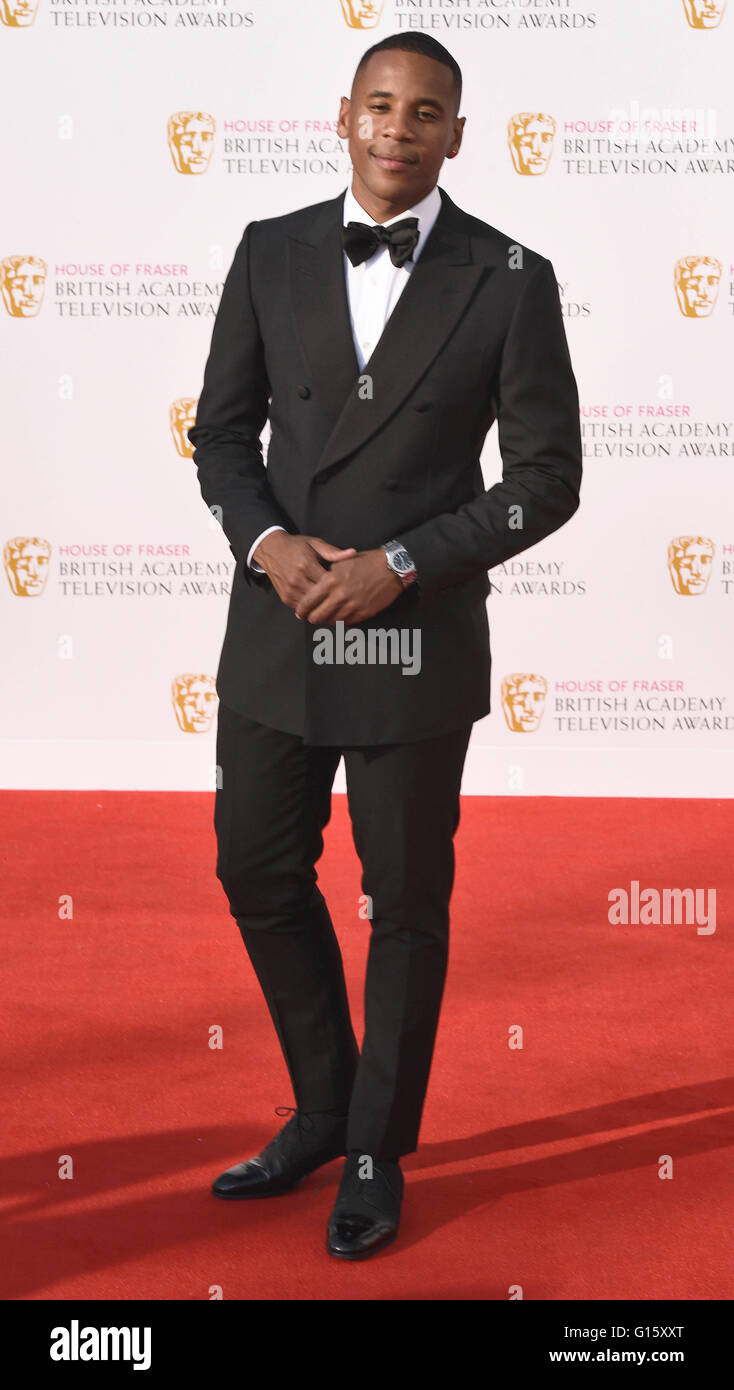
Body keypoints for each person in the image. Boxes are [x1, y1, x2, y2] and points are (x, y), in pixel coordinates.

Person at [187, 31, 582, 1260]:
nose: (397, 128)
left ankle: (372, 1148)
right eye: (379, 105)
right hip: (281, 621)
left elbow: (546, 479)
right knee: (254, 867)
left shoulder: (508, 276)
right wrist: (267, 544)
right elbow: (220, 436)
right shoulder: (269, 250)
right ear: (343, 115)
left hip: (410, 637)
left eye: (423, 112)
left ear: (456, 133)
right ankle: (321, 1107)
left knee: (403, 899)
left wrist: (400, 562)